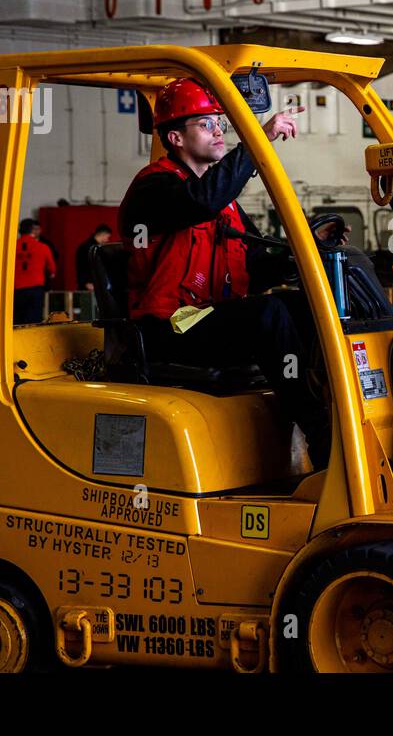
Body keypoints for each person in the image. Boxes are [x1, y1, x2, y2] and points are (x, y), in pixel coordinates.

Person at [117, 78, 331, 466]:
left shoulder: (225, 204)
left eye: (220, 121)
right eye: (205, 124)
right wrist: (256, 142)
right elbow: (199, 202)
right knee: (267, 315)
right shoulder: (155, 189)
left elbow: (253, 263)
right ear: (176, 138)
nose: (218, 130)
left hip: (209, 319)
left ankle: (340, 405)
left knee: (304, 305)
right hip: (171, 326)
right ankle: (323, 433)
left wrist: (309, 251)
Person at [14, 218, 56, 324]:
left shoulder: (11, 247)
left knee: (17, 322)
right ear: (33, 230)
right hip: (35, 290)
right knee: (33, 322)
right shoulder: (43, 247)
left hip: (15, 290)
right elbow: (52, 270)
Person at [74, 224, 113, 291]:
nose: (107, 240)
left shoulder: (90, 247)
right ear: (103, 234)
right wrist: (85, 282)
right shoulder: (88, 248)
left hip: (94, 284)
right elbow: (82, 266)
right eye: (107, 237)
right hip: (90, 285)